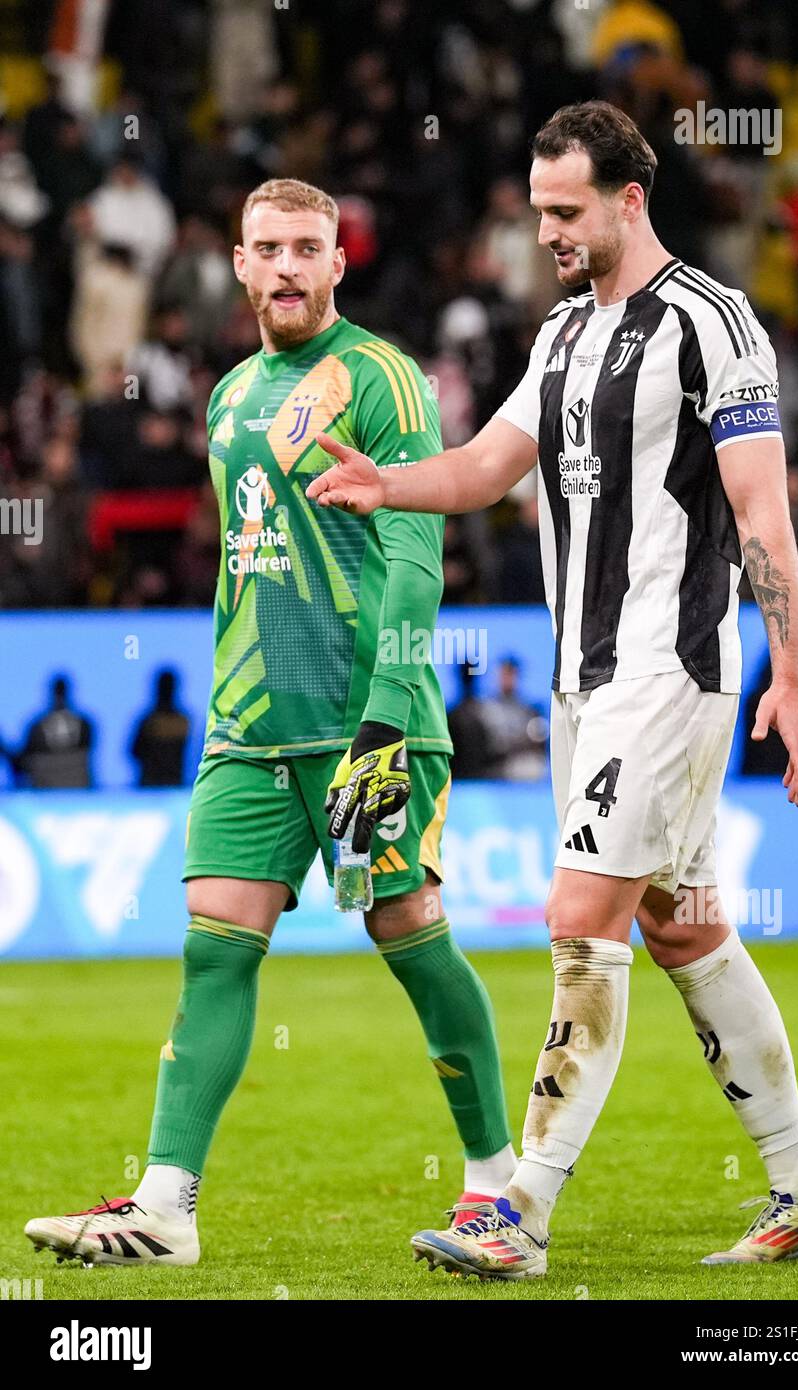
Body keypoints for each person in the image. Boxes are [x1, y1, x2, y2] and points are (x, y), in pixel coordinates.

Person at [307, 101, 798, 1278]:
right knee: (683, 924)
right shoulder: (560, 334)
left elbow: (760, 511)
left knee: (577, 919)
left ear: (626, 200)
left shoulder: (714, 324)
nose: (545, 231)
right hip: (579, 681)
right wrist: (388, 483)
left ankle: (518, 1210)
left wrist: (792, 675)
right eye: (536, 209)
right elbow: (482, 467)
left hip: (671, 668)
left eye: (564, 210)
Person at [24, 178, 514, 1268]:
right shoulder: (229, 395)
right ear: (239, 266)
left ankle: (496, 1189)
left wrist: (385, 722)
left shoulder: (382, 377)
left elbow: (416, 558)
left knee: (411, 937)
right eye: (267, 248)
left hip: (365, 720)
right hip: (248, 727)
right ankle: (165, 1208)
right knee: (212, 951)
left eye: (306, 247)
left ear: (338, 262)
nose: (286, 265)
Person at [15, 675, 93, 789]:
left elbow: (24, 760)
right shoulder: (84, 724)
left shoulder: (37, 726)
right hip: (76, 785)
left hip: (46, 787)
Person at [130, 668, 191, 787]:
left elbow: (134, 751)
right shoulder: (182, 721)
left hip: (159, 783)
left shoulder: (148, 720)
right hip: (166, 784)